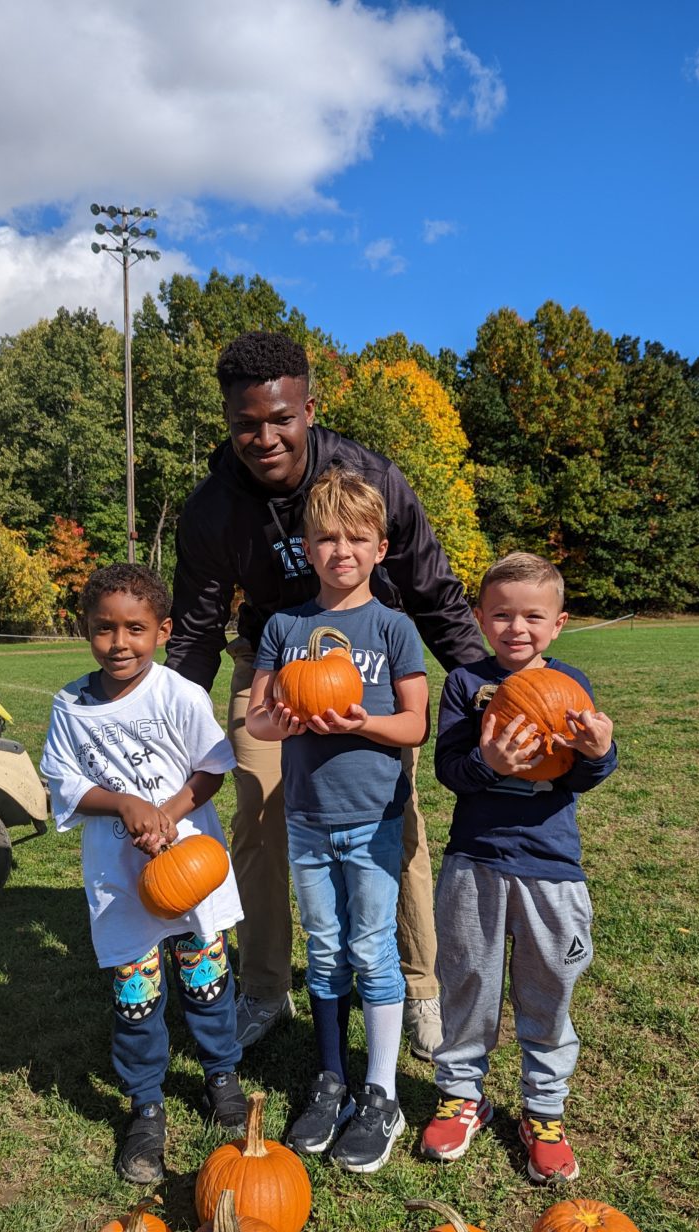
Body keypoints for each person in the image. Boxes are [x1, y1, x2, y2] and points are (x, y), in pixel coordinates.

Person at [166, 330, 485, 1059]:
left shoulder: (369, 476)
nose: (265, 436)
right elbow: (194, 634)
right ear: (229, 420)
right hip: (271, 667)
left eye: (281, 417)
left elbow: (433, 591)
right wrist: (168, 721)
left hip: (369, 660)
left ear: (309, 406)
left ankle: (421, 987)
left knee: (390, 821)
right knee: (258, 814)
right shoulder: (213, 508)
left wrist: (480, 684)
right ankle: (265, 983)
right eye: (247, 423)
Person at [246, 467, 429, 1172]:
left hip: (373, 818)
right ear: (305, 546)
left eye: (356, 538)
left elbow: (415, 722)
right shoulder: (287, 627)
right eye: (326, 537)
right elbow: (262, 715)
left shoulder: (392, 626)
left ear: (380, 547)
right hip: (307, 819)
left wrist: (364, 722)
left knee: (373, 948)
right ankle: (330, 1080)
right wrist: (282, 719)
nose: (341, 550)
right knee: (324, 949)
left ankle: (381, 1091)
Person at [40, 564, 247, 1185]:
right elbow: (64, 784)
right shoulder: (70, 705)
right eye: (105, 629)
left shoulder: (177, 693)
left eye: (135, 628)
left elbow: (213, 766)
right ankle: (146, 1104)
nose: (119, 642)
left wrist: (168, 814)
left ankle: (221, 1074)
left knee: (206, 978)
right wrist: (124, 804)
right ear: (86, 630)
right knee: (137, 997)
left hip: (191, 870)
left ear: (163, 630)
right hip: (121, 881)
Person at [420, 552, 617, 1184]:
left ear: (558, 623)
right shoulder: (464, 684)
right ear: (480, 618)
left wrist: (600, 752)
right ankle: (461, 1094)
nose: (516, 629)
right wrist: (489, 765)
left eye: (533, 616)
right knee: (468, 982)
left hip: (551, 866)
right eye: (501, 615)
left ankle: (544, 1108)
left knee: (549, 990)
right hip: (474, 861)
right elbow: (448, 770)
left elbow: (584, 774)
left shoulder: (571, 683)